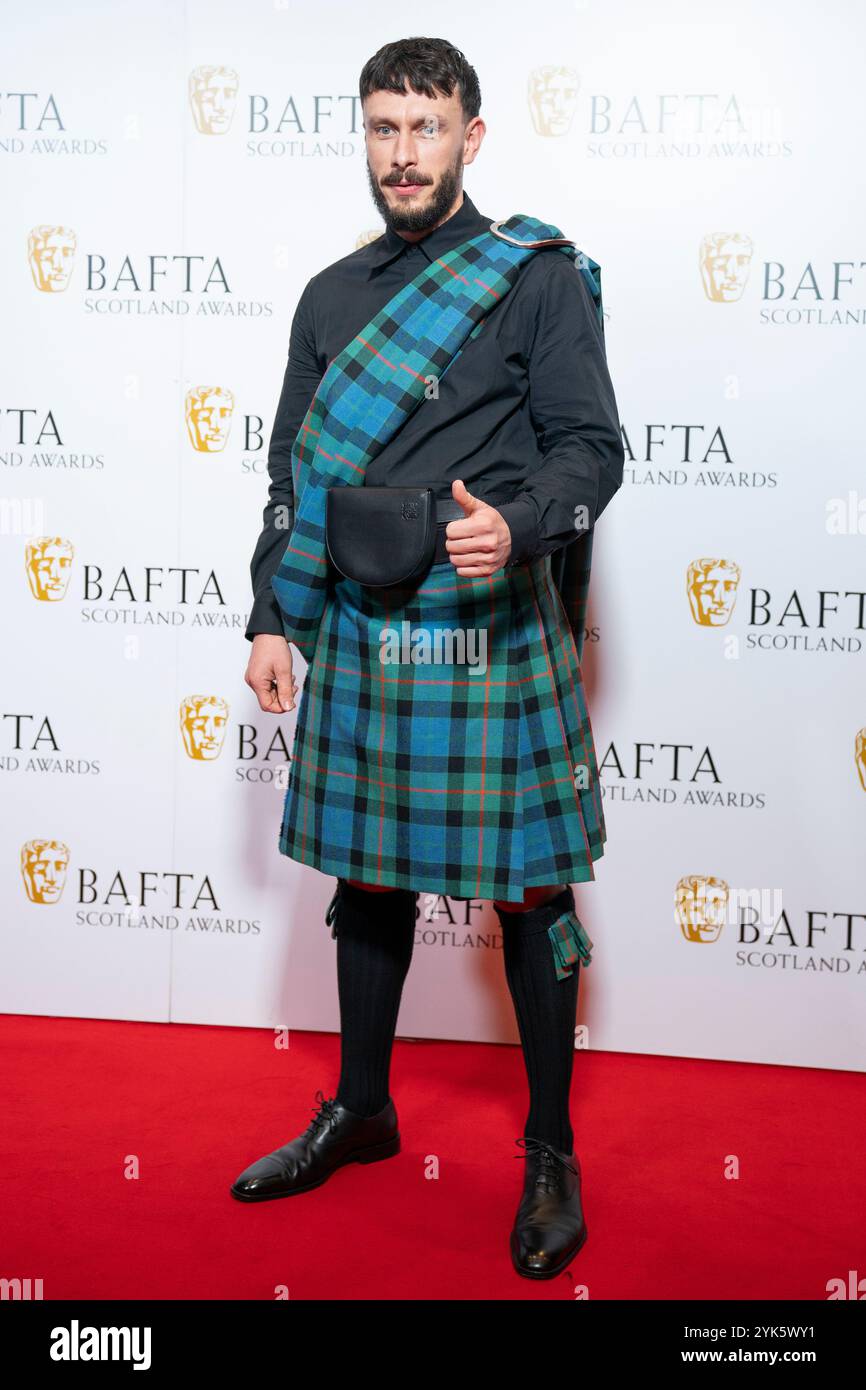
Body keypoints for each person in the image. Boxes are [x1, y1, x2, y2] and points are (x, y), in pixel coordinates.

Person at [231, 36, 625, 1281]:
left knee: (529, 896)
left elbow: (593, 451)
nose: (403, 153)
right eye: (383, 128)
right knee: (366, 877)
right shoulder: (329, 297)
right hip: (358, 621)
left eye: (426, 127)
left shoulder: (533, 280)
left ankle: (550, 1148)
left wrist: (520, 526)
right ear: (363, 136)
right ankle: (361, 1107)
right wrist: (267, 614)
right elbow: (293, 475)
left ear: (471, 137)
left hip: (490, 625)